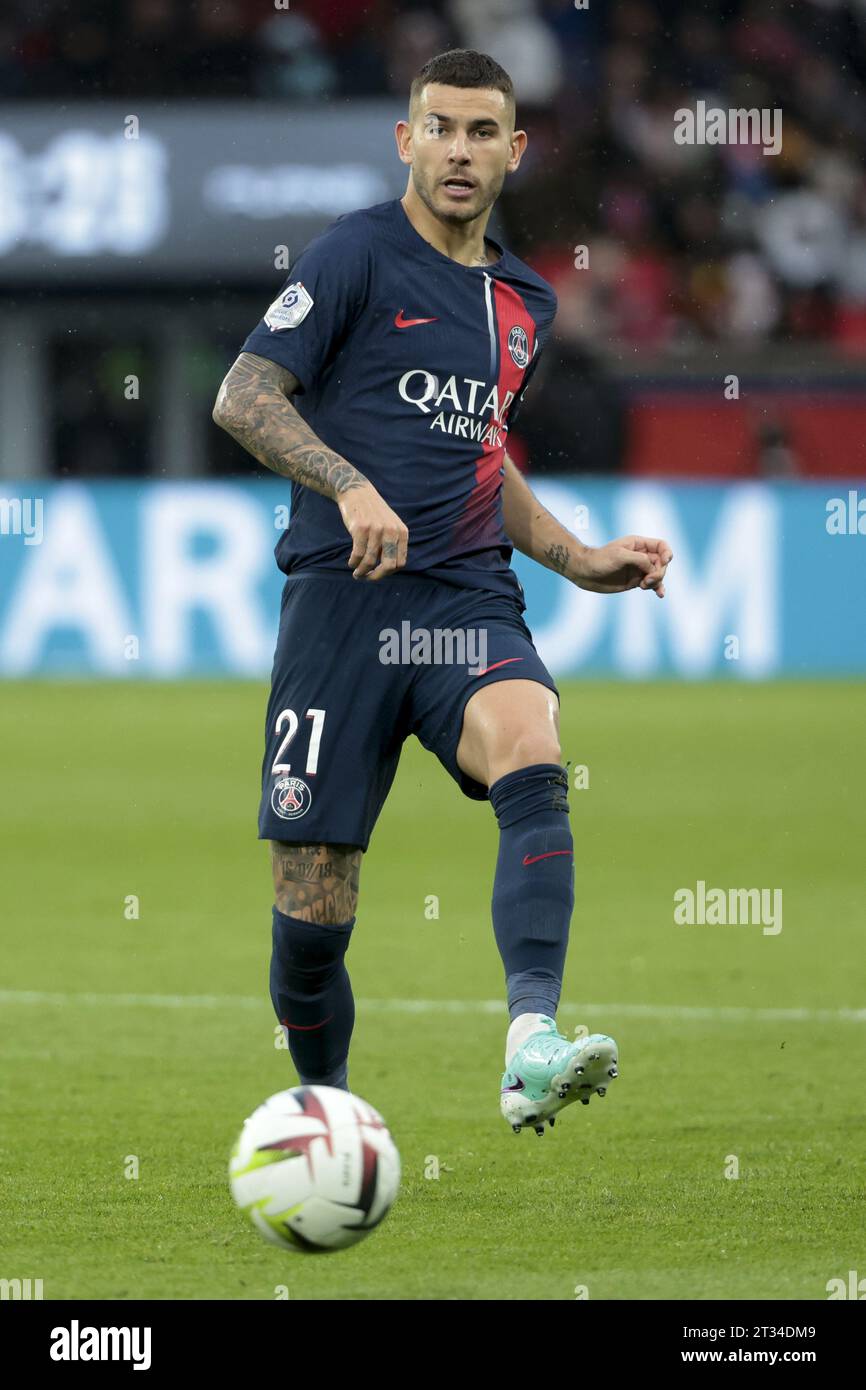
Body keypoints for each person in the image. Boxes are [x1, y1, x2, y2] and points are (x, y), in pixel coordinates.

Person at [213, 48, 672, 1135]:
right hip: (340, 603)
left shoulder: (524, 302)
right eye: (439, 127)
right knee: (312, 923)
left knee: (531, 741)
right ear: (405, 139)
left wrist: (575, 557)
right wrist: (348, 482)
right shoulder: (353, 256)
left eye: (481, 133)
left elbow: (481, 454)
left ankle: (529, 1044)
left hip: (464, 597)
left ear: (513, 151)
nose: (458, 151)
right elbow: (244, 394)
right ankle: (321, 1114)